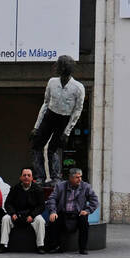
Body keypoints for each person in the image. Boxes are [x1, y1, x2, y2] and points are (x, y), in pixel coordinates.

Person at [32, 54, 85, 183]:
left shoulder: (78, 88)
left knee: (53, 148)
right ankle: (40, 176)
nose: (58, 68)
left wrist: (67, 132)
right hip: (50, 115)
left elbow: (77, 111)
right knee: (36, 145)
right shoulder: (52, 82)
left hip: (64, 119)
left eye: (60, 66)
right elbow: (45, 103)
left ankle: (55, 177)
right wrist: (36, 126)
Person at [43, 167, 100, 254]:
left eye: (80, 176)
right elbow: (52, 199)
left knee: (84, 221)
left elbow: (95, 201)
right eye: (77, 177)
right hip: (63, 213)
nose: (80, 179)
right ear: (70, 178)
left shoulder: (86, 187)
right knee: (54, 220)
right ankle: (56, 246)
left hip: (78, 213)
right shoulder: (60, 186)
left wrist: (88, 210)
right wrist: (53, 212)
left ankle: (83, 248)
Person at [0, 169, 48, 253]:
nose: (26, 177)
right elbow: (8, 204)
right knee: (5, 219)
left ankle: (40, 246)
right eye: (24, 175)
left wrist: (32, 215)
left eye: (29, 175)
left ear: (32, 178)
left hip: (32, 215)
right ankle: (3, 245)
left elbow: (41, 206)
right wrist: (12, 213)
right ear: (20, 177)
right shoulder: (15, 188)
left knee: (40, 221)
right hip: (17, 214)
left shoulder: (38, 189)